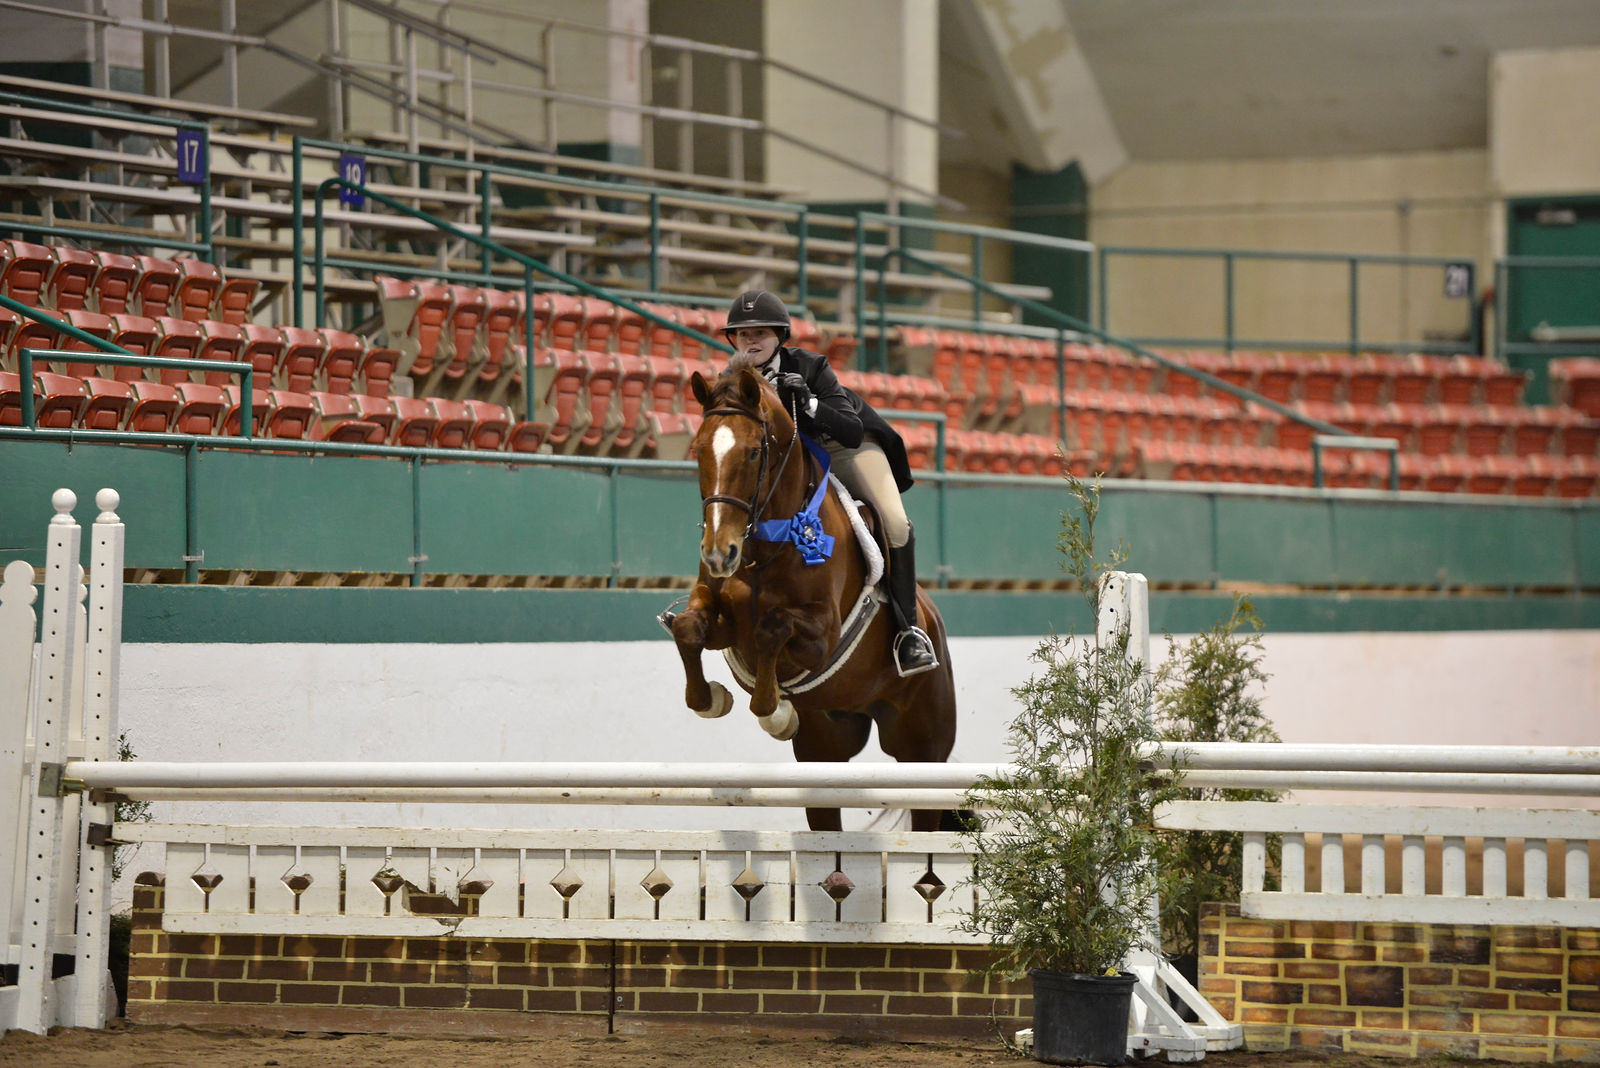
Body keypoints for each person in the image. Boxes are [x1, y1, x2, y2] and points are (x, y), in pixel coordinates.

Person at [720, 289, 938, 677]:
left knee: (894, 522)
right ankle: (708, 599)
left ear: (780, 336)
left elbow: (851, 431)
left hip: (841, 447)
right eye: (742, 334)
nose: (751, 340)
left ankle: (909, 632)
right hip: (788, 461)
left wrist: (809, 403)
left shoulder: (810, 366)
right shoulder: (732, 378)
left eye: (760, 333)